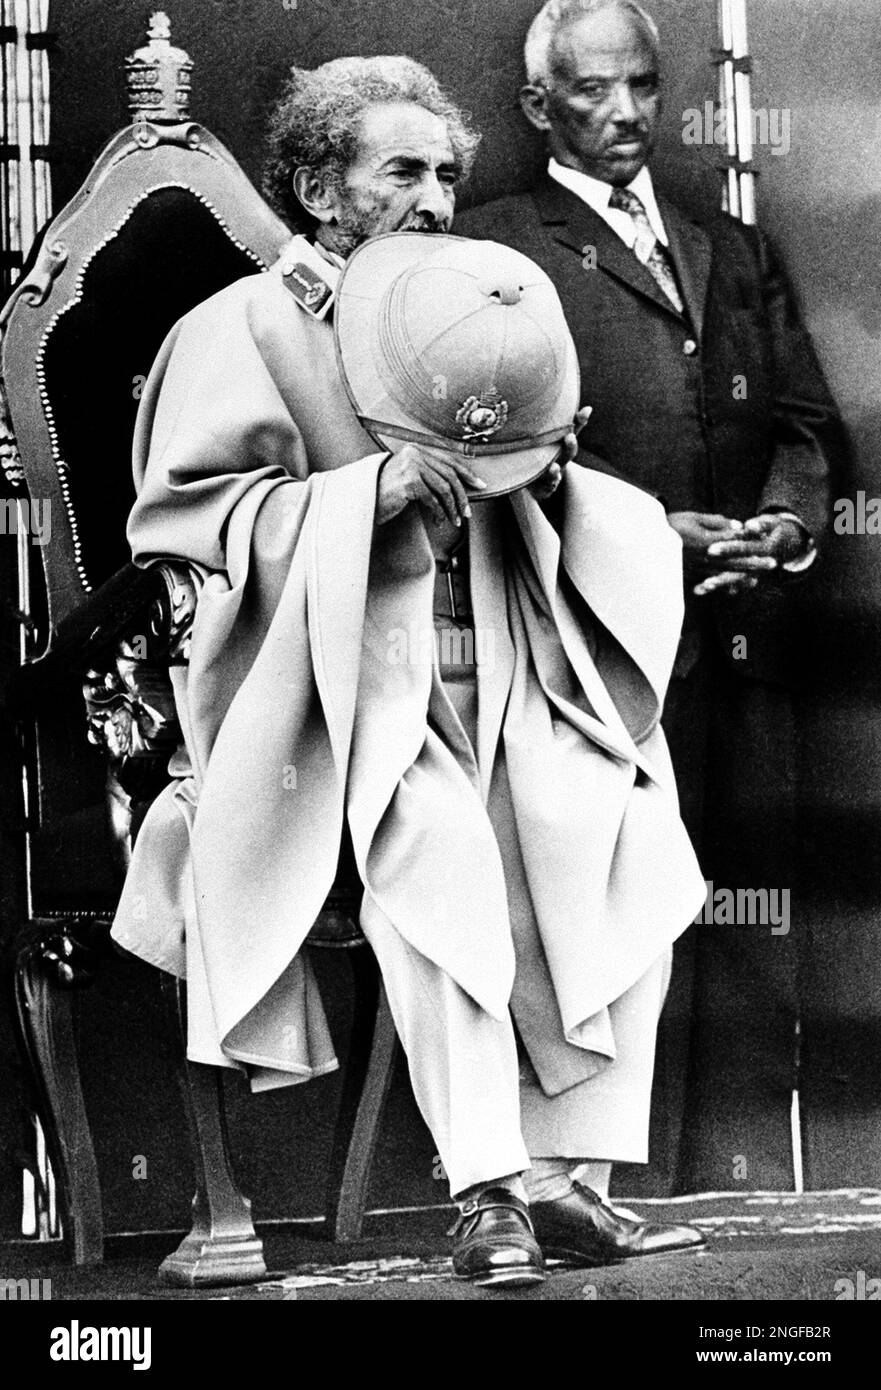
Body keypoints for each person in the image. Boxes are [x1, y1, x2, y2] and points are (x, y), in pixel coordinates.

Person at [112, 54, 706, 1287]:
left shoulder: (474, 310)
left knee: (621, 814)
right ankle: (485, 1188)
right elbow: (187, 530)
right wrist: (358, 495)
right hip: (327, 699)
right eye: (403, 172)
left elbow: (559, 501)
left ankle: (567, 1181)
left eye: (446, 172)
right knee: (432, 848)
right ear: (322, 187)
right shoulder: (236, 328)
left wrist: (549, 478)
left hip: (498, 663)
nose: (436, 200)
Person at [456, 0, 847, 1185]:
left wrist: (781, 520)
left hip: (737, 639)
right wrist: (642, 535)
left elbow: (804, 423)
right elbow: (494, 449)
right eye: (590, 91)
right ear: (537, 106)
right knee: (598, 916)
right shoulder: (490, 253)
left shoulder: (728, 246)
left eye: (638, 85)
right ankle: (577, 1187)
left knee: (731, 917)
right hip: (588, 647)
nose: (623, 113)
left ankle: (724, 1188)